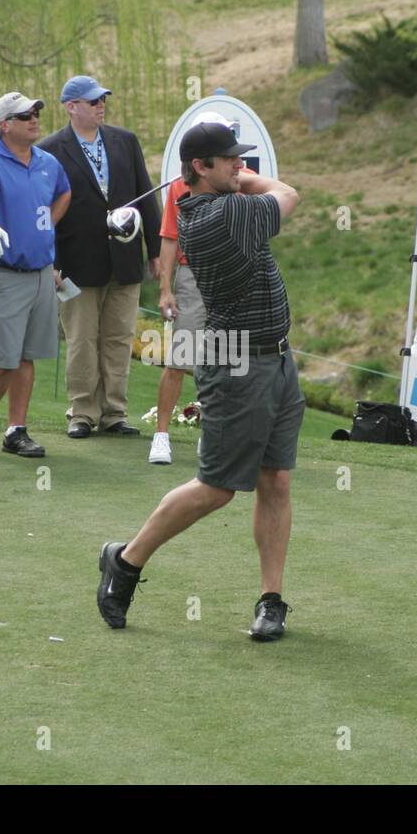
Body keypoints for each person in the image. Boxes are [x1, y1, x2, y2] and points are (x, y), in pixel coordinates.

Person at [96, 121, 302, 641]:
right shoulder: (219, 216)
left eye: (240, 159)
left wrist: (236, 178)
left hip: (276, 357)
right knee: (216, 488)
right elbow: (288, 195)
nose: (240, 165)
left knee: (275, 479)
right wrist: (248, 181)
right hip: (236, 362)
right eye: (229, 160)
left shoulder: (220, 203)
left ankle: (271, 600)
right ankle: (126, 559)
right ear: (199, 168)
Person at [38, 75, 160, 439]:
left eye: (103, 99)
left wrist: (155, 252)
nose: (101, 105)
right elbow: (44, 212)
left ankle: (114, 413)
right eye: (93, 101)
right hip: (76, 262)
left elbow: (146, 198)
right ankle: (82, 412)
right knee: (81, 340)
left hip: (125, 258)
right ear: (71, 107)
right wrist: (51, 262)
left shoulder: (125, 141)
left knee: (119, 339)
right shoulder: (50, 150)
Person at [0, 91, 71, 463]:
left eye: (36, 113)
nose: (34, 119)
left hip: (40, 273)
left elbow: (64, 193)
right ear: (5, 125)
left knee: (26, 357)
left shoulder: (47, 162)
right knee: (3, 360)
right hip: (2, 272)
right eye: (25, 116)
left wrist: (46, 224)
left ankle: (15, 431)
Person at [149, 111, 252, 465]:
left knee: (229, 360)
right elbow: (169, 239)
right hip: (193, 277)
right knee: (180, 359)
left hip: (232, 277)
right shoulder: (179, 188)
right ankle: (161, 435)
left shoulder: (241, 182)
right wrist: (166, 289)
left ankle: (214, 434)